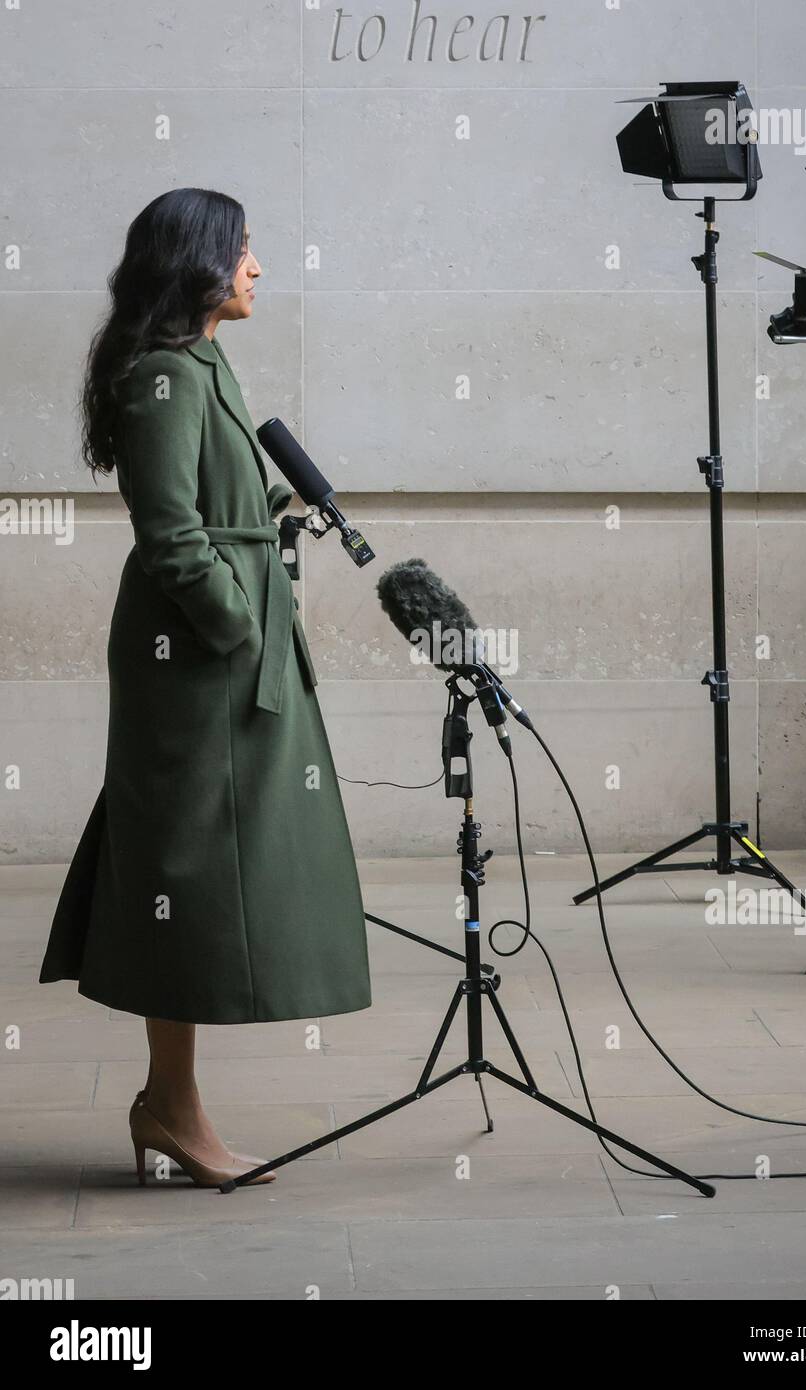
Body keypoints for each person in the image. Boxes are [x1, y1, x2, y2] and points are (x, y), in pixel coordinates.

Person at [39, 188, 371, 1188]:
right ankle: (170, 1109)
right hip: (194, 662)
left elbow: (201, 515)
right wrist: (234, 620)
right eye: (243, 249)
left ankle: (168, 1104)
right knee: (181, 867)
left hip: (221, 652)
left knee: (193, 865)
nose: (257, 265)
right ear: (199, 262)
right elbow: (172, 535)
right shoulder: (165, 380)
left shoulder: (199, 366)